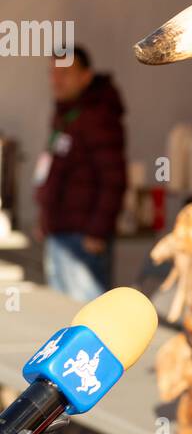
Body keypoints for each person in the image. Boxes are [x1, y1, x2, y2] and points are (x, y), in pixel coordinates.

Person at [35, 45, 127, 301]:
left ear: (85, 76)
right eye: (52, 73)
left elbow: (114, 178)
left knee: (87, 319)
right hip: (60, 234)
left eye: (64, 73)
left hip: (83, 239)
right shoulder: (65, 114)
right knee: (63, 317)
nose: (56, 80)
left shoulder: (97, 117)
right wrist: (45, 218)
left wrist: (97, 232)